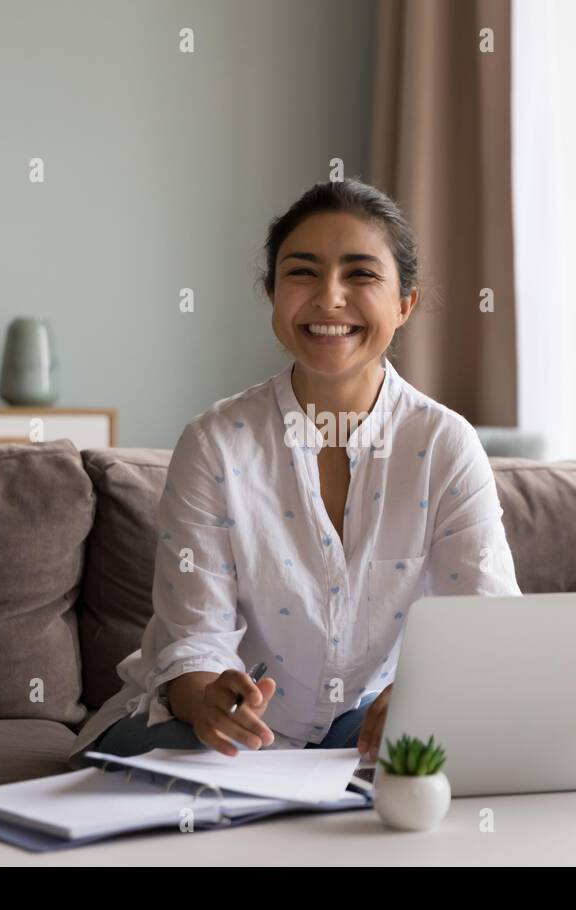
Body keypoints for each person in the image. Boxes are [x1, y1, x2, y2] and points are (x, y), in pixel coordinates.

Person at [66, 178, 521, 771]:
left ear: (405, 303)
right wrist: (208, 698)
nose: (329, 298)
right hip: (202, 739)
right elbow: (193, 638)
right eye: (303, 273)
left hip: (353, 733)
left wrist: (428, 696)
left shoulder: (445, 445)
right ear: (273, 295)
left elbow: (490, 626)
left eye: (360, 275)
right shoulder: (215, 444)